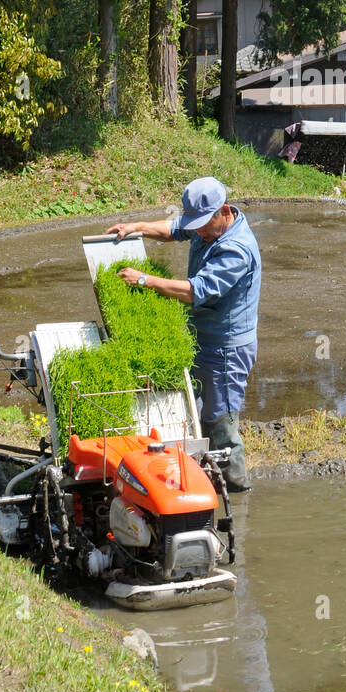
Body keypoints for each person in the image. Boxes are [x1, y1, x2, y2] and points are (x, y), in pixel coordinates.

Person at [106, 177, 261, 491]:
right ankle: (202, 480)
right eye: (196, 224)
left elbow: (194, 291)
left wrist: (143, 280)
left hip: (226, 349)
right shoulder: (208, 226)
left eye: (204, 225)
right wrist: (135, 227)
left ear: (224, 211)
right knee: (196, 411)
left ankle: (236, 487)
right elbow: (174, 229)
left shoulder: (236, 249)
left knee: (222, 423)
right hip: (201, 336)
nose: (199, 231)